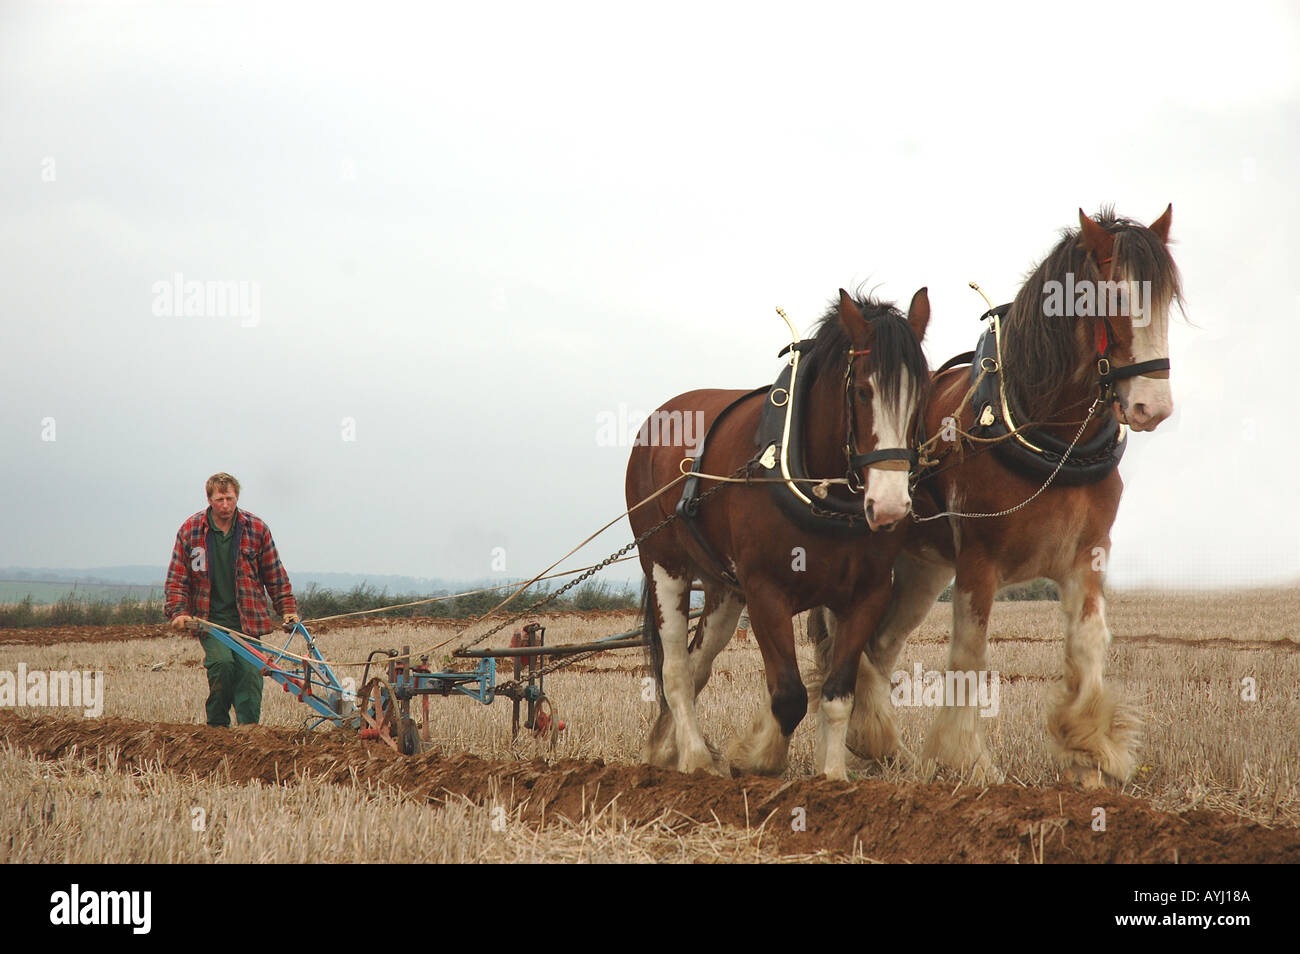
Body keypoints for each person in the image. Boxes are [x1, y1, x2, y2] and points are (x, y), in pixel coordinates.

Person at [165, 473, 299, 727]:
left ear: (237, 497)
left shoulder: (256, 529)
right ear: (209, 499)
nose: (225, 505)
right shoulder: (191, 531)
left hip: (247, 620)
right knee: (222, 665)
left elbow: (275, 574)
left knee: (251, 673)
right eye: (220, 499)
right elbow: (177, 578)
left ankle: (248, 735)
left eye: (230, 499)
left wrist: (288, 609)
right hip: (210, 621)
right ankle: (217, 731)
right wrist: (178, 612)